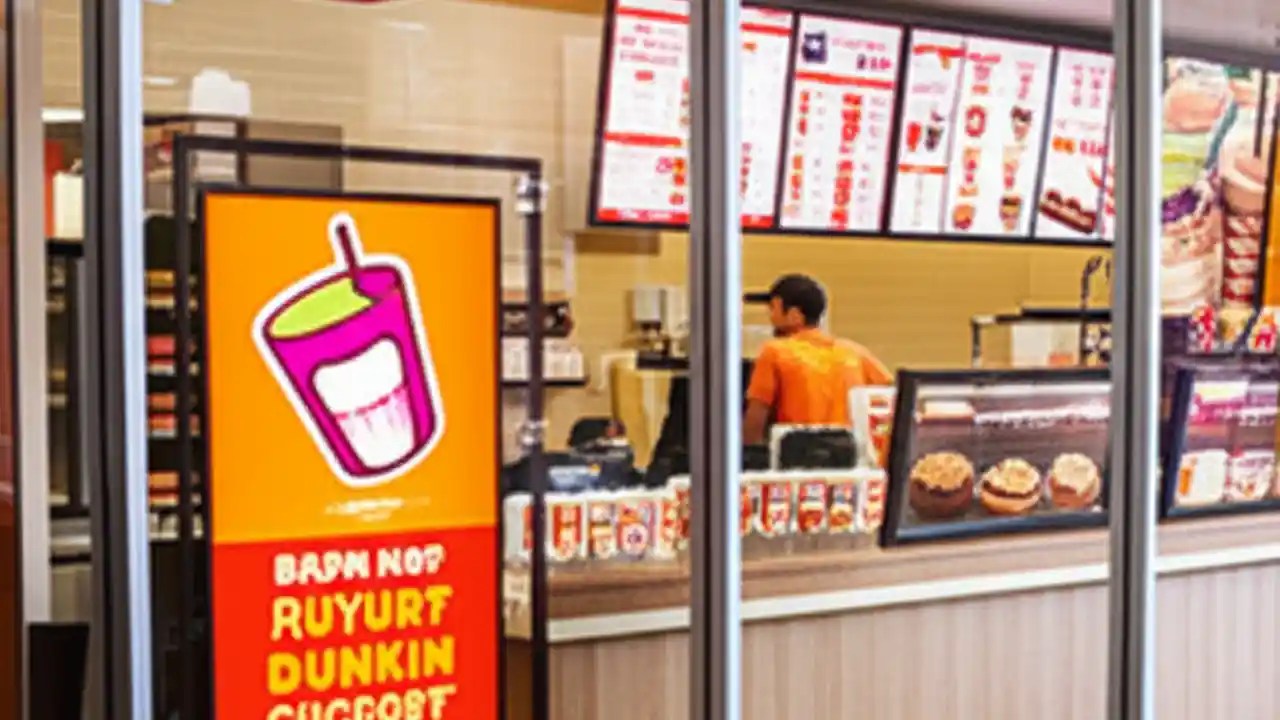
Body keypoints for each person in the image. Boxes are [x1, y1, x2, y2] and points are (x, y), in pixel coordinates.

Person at [743, 274, 892, 445]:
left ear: (794, 315)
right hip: (849, 454)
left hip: (798, 453)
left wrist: (744, 454)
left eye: (773, 309)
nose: (771, 318)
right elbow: (892, 398)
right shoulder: (855, 353)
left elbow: (756, 418)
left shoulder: (775, 352)